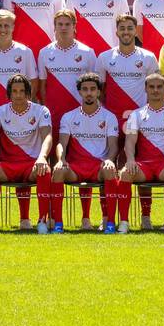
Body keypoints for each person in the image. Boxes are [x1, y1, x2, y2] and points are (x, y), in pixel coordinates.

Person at [97, 14, 161, 224]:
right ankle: (108, 217)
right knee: (109, 166)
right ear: (116, 32)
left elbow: (155, 88)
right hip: (113, 121)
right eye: (122, 28)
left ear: (136, 31)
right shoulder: (105, 58)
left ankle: (145, 216)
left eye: (129, 28)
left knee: (140, 164)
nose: (126, 32)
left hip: (141, 121)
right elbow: (101, 91)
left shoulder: (149, 57)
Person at [0, 74, 54, 234]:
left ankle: (42, 221)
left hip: (32, 164)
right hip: (7, 165)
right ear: (9, 93)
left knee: (45, 170)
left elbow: (47, 136)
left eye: (22, 91)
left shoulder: (41, 110)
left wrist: (42, 157)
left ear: (28, 92)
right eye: (14, 91)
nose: (18, 95)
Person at [51, 71, 121, 233]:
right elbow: (61, 143)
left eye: (92, 89)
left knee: (110, 170)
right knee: (59, 171)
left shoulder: (109, 117)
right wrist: (61, 160)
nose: (89, 93)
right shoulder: (69, 117)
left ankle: (109, 223)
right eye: (85, 89)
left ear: (99, 91)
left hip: (99, 167)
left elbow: (114, 146)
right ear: (80, 91)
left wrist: (110, 160)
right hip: (75, 168)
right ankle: (58, 224)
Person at [118, 74, 164, 233]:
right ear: (145, 89)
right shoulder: (135, 114)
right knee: (125, 173)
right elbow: (130, 141)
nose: (155, 90)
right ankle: (124, 223)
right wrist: (130, 159)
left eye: (159, 87)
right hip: (144, 166)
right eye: (151, 87)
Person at [35, 9, 100, 123]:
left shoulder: (87, 52)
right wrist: (47, 108)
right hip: (54, 111)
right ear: (54, 27)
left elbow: (95, 84)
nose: (63, 28)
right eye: (60, 24)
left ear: (74, 26)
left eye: (67, 24)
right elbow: (42, 86)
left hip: (81, 110)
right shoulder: (44, 52)